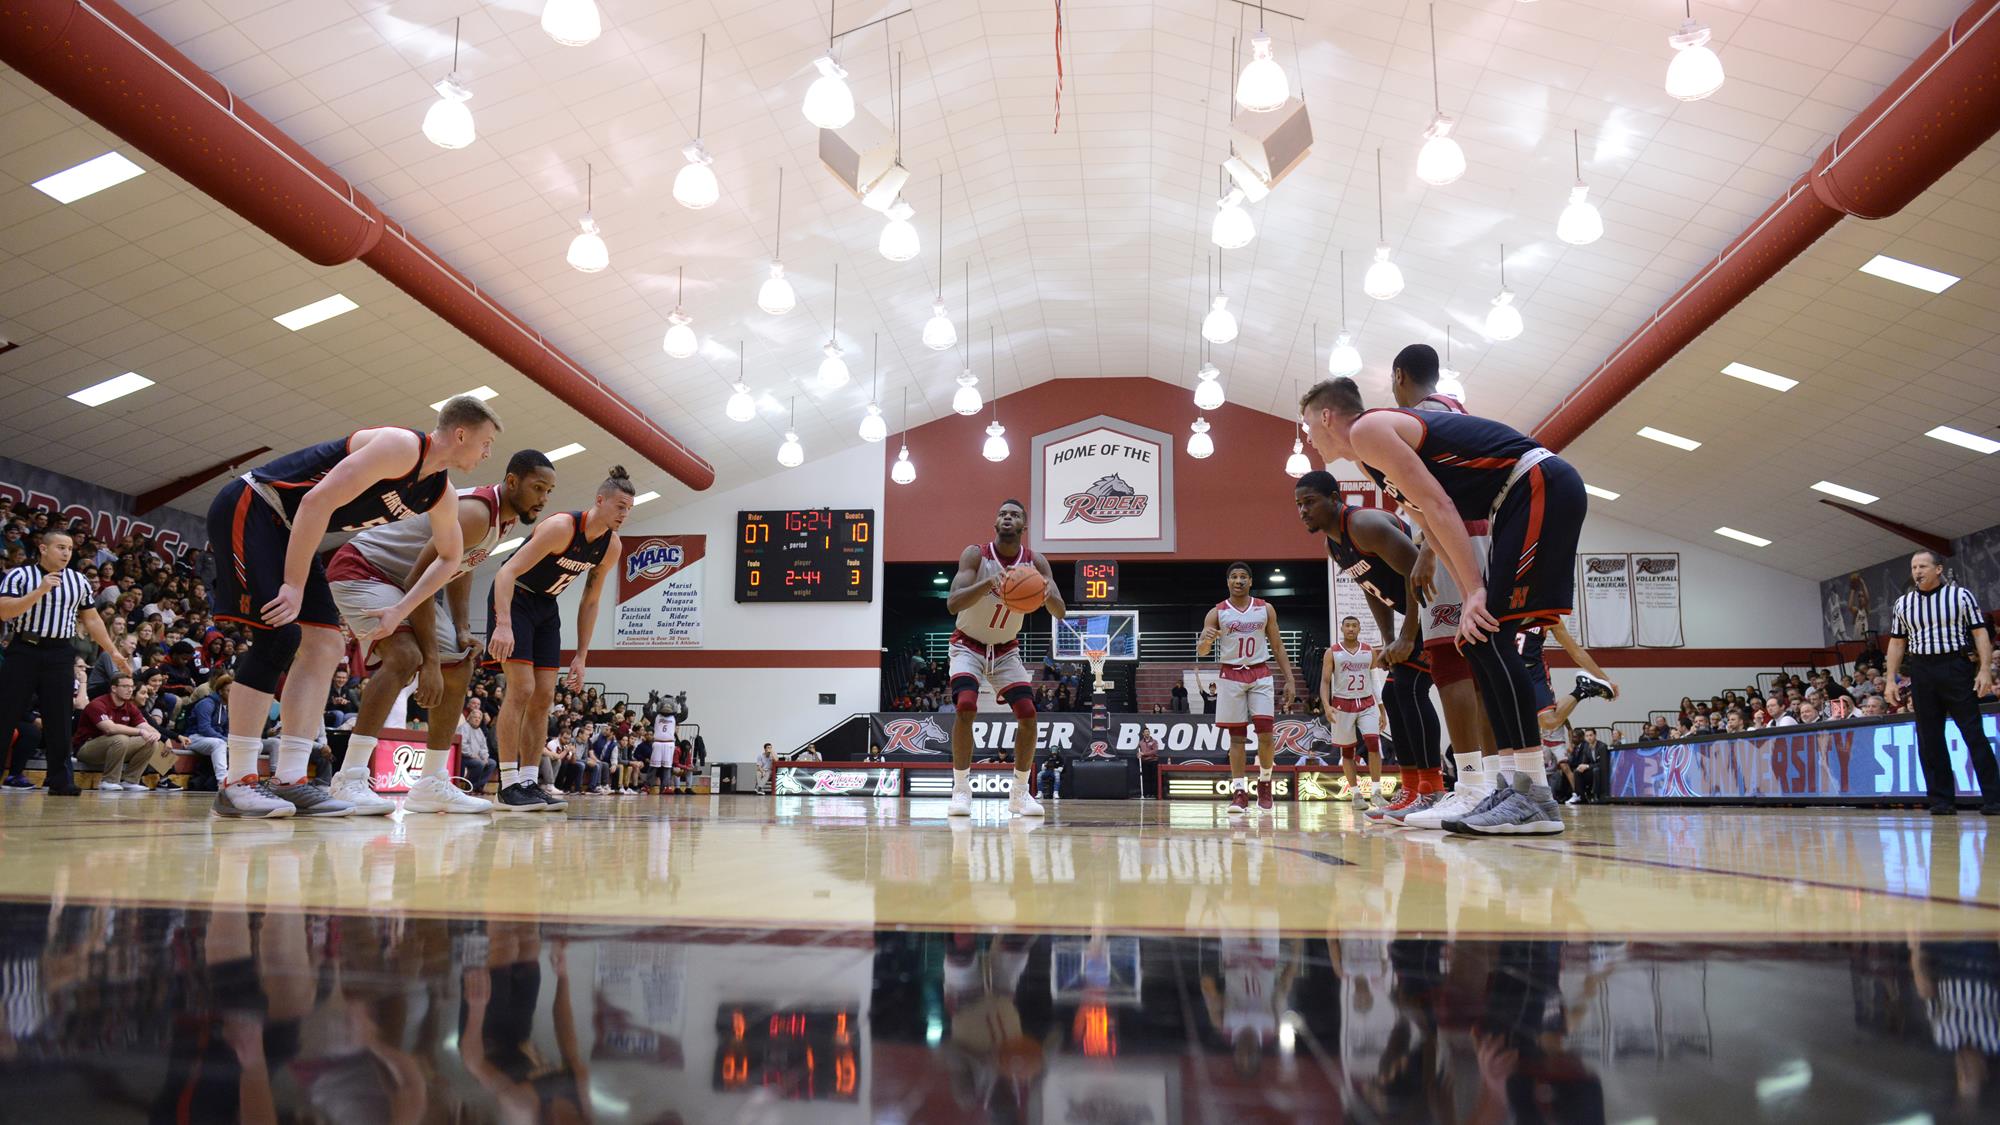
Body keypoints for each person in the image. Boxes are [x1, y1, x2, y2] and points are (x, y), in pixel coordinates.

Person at [1301, 376, 1583, 836]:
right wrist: (1470, 587)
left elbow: (1438, 502)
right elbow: (1427, 520)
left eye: (1308, 425)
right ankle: (1513, 788)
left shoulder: (1368, 431)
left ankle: (1533, 794)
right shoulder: (1369, 459)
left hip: (1535, 484)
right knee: (1482, 642)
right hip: (1514, 498)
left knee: (1487, 635)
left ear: (1327, 416)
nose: (1308, 436)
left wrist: (1473, 590)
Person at [203, 396, 501, 818]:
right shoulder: (400, 446)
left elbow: (450, 559)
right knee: (280, 636)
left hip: (291, 531)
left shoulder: (439, 492)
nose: (487, 453)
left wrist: (401, 610)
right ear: (460, 434)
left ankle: (290, 779)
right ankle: (238, 782)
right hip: (255, 506)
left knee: (325, 646)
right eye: (485, 443)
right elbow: (314, 502)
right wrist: (292, 583)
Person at [324, 449, 555, 815]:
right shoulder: (477, 512)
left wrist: (462, 628)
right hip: (365, 568)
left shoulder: (501, 520)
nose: (543, 499)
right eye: (537, 488)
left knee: (461, 663)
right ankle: (348, 777)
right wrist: (431, 661)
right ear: (512, 482)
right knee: (407, 657)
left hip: (405, 586)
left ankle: (431, 783)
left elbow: (459, 569)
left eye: (548, 492)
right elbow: (420, 580)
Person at [1294, 473, 1447, 818]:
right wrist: (1388, 638)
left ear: (1334, 497)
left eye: (1309, 502)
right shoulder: (1333, 545)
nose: (1303, 510)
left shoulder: (1362, 525)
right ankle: (1410, 789)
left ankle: (1433, 789)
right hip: (1414, 612)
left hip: (1437, 605)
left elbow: (1418, 572)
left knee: (1409, 689)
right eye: (1298, 505)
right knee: (1394, 694)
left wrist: (1407, 635)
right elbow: (1369, 586)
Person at [488, 466, 634, 811]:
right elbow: (505, 572)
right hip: (516, 599)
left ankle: (528, 780)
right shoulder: (561, 527)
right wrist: (503, 623)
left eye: (629, 508)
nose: (624, 514)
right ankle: (506, 783)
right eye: (619, 506)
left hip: (546, 607)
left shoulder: (610, 546)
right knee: (521, 690)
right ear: (600, 500)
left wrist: (582, 655)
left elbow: (591, 600)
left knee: (543, 698)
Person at [942, 499, 1066, 818]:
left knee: (1027, 713)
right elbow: (953, 604)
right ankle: (960, 789)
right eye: (1002, 514)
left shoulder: (1035, 561)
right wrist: (988, 584)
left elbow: (1060, 611)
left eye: (1014, 515)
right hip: (968, 645)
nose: (1007, 518)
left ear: (1024, 526)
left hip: (1006, 648)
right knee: (966, 704)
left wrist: (1043, 592)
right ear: (995, 524)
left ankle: (1020, 793)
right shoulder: (976, 555)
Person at [0, 527, 128, 795]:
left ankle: (60, 781)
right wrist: (40, 590)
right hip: (24, 648)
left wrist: (112, 651)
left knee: (59, 718)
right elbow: (4, 611)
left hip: (60, 652)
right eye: (61, 547)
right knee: (6, 713)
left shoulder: (78, 581)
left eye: (69, 549)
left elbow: (92, 619)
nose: (66, 553)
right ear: (43, 548)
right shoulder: (20, 575)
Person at [1885, 550, 1999, 816]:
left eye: (1923, 566)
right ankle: (1941, 800)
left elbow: (1980, 633)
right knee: (1929, 738)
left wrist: (1984, 669)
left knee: (1973, 733)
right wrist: (1891, 679)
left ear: (1938, 569)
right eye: (1914, 567)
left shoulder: (1960, 596)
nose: (1917, 571)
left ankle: (1994, 798)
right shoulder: (1903, 604)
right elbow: (1897, 642)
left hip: (1955, 666)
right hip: (1921, 669)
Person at [1197, 562, 1301, 814]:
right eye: (1234, 577)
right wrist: (1206, 640)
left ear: (1251, 582)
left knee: (1266, 735)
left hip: (1260, 672)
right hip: (1231, 674)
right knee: (1237, 738)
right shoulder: (1217, 612)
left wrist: (1290, 678)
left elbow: (1277, 645)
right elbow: (1202, 651)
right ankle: (1239, 792)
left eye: (1244, 577)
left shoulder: (1265, 609)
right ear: (1228, 582)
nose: (1239, 581)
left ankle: (1264, 783)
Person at [1318, 617, 1386, 807]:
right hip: (1342, 704)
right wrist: (1326, 705)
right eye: (1347, 625)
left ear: (1359, 629)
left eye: (1354, 626)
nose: (1350, 629)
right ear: (1341, 628)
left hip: (1366, 703)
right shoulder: (1332, 652)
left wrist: (1382, 708)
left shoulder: (1368, 651)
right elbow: (1325, 681)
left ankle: (1376, 791)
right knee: (1347, 751)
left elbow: (1375, 681)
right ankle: (1356, 794)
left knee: (1373, 743)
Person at [74, 672, 174, 790]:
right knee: (120, 738)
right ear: (114, 688)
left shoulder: (130, 707)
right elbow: (110, 729)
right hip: (87, 749)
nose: (130, 690)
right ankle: (109, 781)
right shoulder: (97, 704)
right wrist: (140, 732)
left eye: (131, 687)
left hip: (115, 748)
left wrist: (155, 734)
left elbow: (144, 725)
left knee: (151, 742)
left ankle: (131, 781)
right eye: (125, 686)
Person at [457, 706, 496, 794]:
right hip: (464, 757)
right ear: (470, 718)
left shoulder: (479, 731)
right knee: (479, 763)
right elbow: (463, 745)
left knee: (492, 763)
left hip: (476, 757)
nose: (477, 719)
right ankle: (469, 786)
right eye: (475, 717)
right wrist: (472, 755)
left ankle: (478, 786)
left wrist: (485, 757)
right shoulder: (464, 728)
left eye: (479, 718)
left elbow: (483, 747)